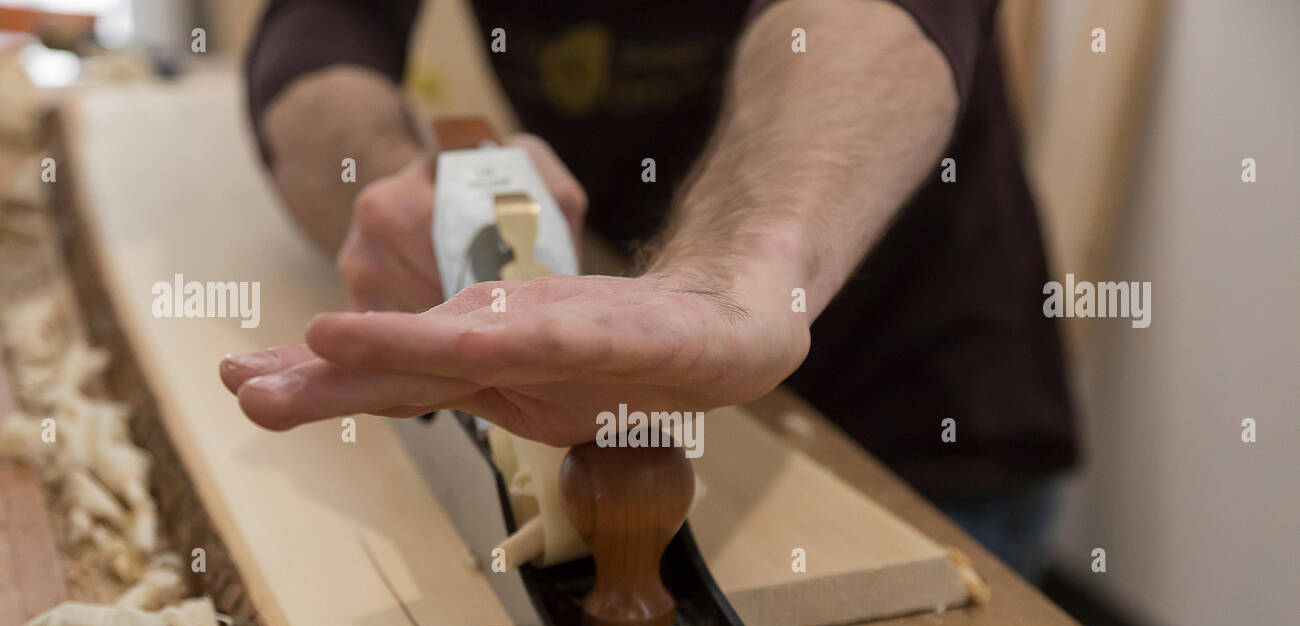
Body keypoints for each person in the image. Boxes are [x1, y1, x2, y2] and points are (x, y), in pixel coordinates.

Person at [223, 0, 1076, 582]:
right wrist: (388, 186)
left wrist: (738, 278)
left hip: (912, 398)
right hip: (624, 317)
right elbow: (322, 23)